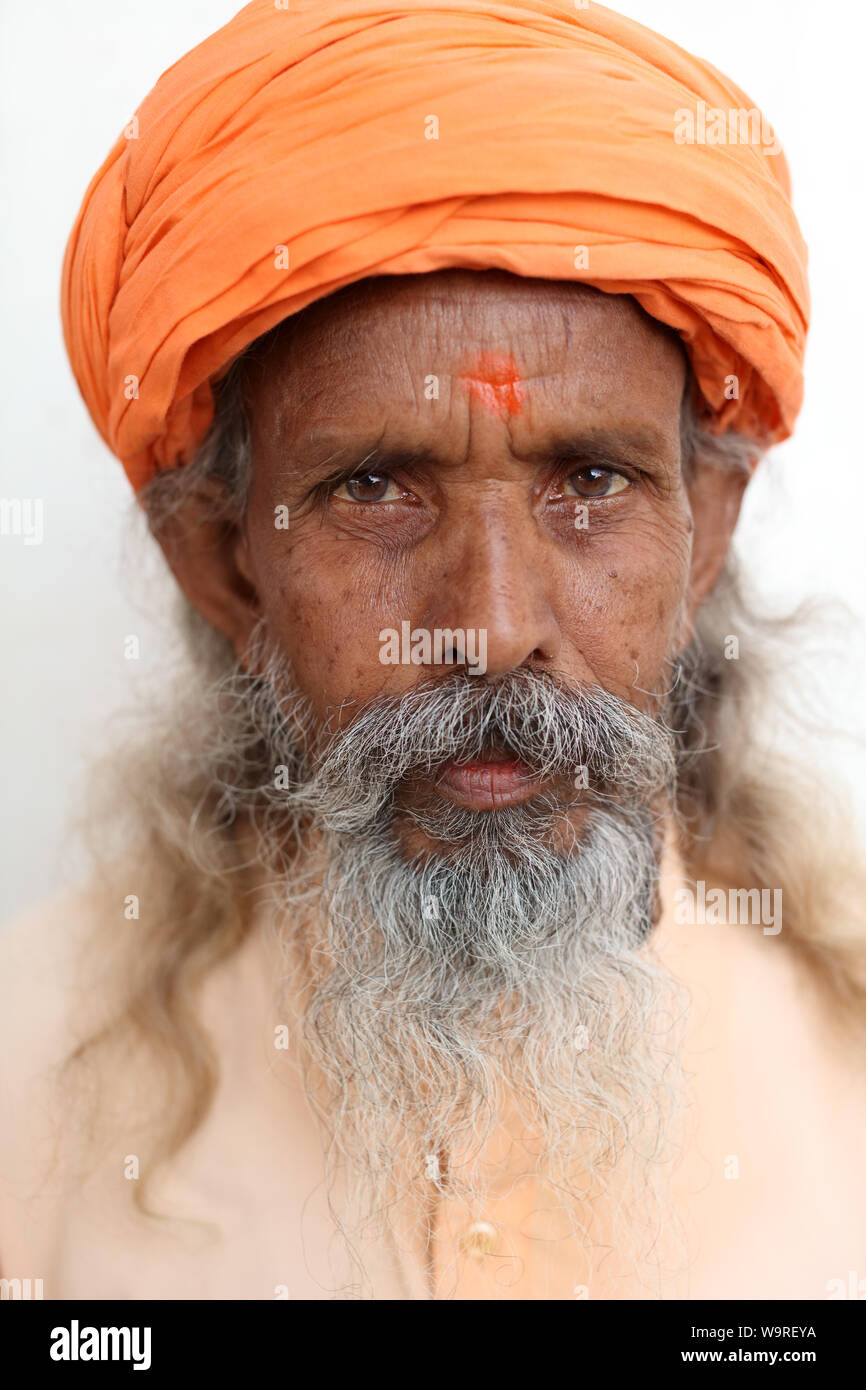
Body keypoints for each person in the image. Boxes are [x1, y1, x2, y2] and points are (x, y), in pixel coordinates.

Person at [2, 0, 864, 1301]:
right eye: (373, 489)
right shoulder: (24, 1067)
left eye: (587, 476)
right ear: (223, 559)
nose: (494, 621)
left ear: (701, 543)